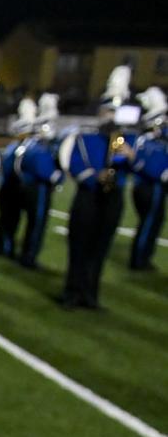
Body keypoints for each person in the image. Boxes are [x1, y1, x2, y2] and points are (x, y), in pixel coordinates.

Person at [61, 66, 137, 309]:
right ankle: (72, 293)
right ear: (101, 112)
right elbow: (74, 165)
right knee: (80, 246)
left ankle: (91, 294)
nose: (112, 117)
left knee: (100, 248)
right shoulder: (85, 137)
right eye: (108, 111)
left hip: (113, 197)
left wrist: (131, 157)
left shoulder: (129, 140)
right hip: (88, 197)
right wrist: (95, 176)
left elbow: (140, 169)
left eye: (116, 112)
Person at [16, 94, 65, 269]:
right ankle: (29, 258)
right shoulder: (39, 147)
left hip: (33, 187)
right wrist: (58, 177)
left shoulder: (33, 144)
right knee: (36, 224)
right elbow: (45, 171)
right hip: (38, 189)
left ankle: (27, 254)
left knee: (34, 224)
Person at [128, 86, 167, 271]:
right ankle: (139, 260)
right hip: (149, 186)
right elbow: (140, 163)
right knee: (148, 222)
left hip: (150, 186)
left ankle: (144, 257)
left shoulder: (150, 140)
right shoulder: (147, 141)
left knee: (154, 222)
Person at [0, 98, 35, 258]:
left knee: (12, 220)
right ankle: (3, 247)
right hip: (8, 188)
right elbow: (10, 168)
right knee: (7, 220)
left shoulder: (19, 148)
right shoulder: (14, 149)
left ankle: (5, 246)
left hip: (15, 189)